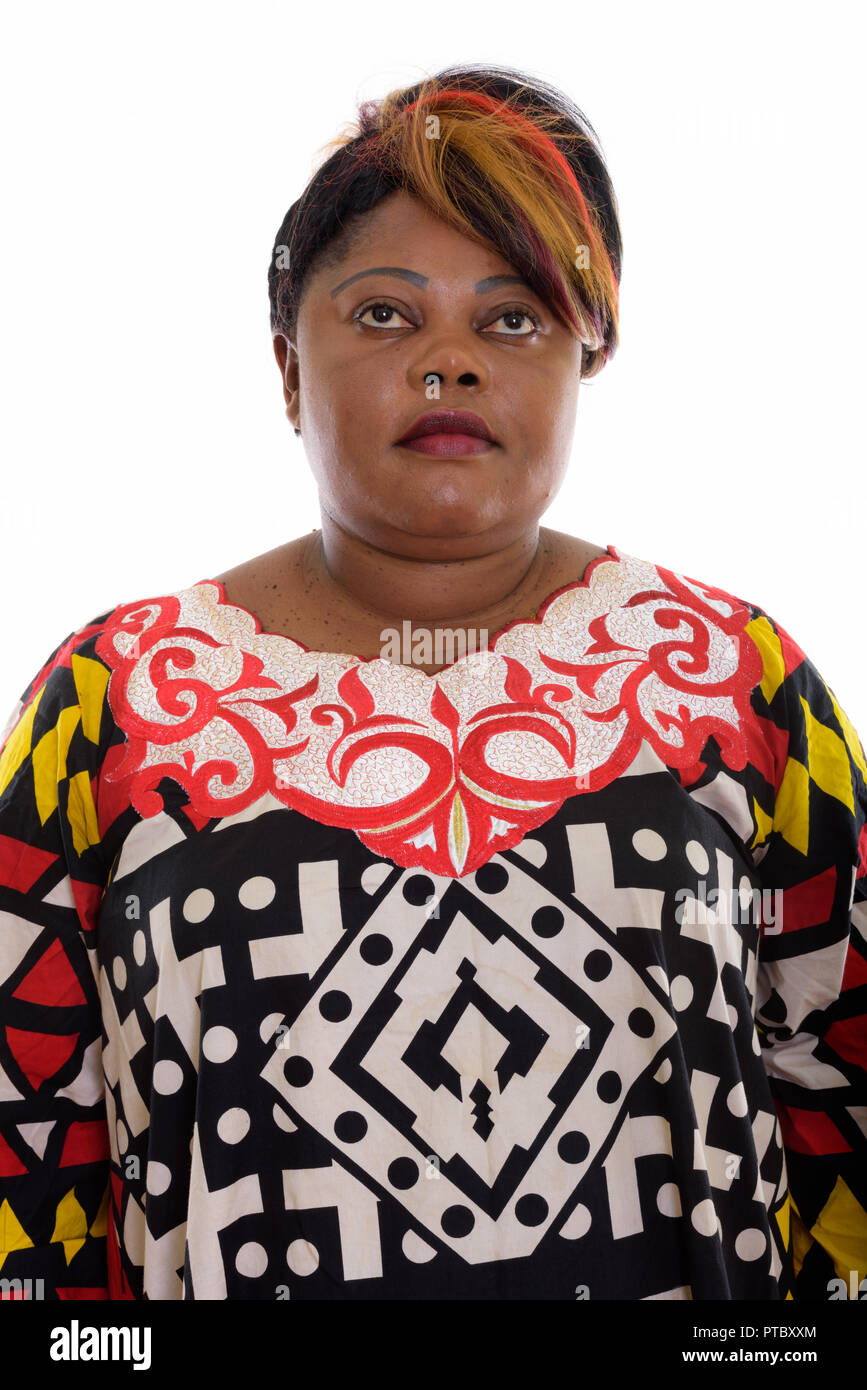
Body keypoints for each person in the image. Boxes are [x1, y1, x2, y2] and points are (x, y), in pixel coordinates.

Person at [0, 64, 864, 1303]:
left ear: (581, 361)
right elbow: (25, 1175)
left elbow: (846, 1108)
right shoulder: (107, 706)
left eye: (513, 318)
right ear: (290, 367)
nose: (451, 361)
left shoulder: (739, 683)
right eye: (387, 315)